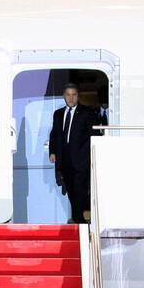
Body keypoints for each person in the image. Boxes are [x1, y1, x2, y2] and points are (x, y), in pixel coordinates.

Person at [48, 83, 102, 224]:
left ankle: (81, 222)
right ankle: (79, 220)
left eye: (74, 95)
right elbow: (54, 134)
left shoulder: (87, 112)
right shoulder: (58, 114)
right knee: (71, 191)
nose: (71, 98)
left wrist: (90, 155)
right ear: (64, 96)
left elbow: (94, 135)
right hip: (64, 161)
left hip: (81, 160)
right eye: (68, 95)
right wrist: (52, 151)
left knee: (81, 191)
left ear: (78, 96)